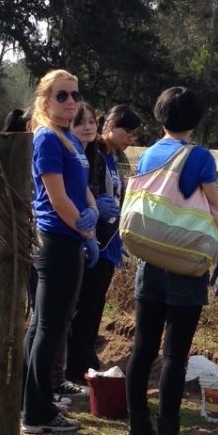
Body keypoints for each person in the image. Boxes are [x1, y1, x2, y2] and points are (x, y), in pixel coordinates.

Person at [124, 86, 218, 435]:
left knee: (142, 348)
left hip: (149, 262)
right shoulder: (198, 157)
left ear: (160, 115)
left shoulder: (149, 153)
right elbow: (214, 213)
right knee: (175, 355)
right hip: (185, 265)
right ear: (196, 119)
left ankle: (137, 428)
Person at [21, 69, 98, 435]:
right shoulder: (47, 139)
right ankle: (36, 412)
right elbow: (56, 196)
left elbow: (78, 188)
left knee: (43, 325)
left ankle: (29, 400)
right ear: (45, 101)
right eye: (62, 96)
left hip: (71, 238)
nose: (71, 102)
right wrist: (85, 229)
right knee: (48, 327)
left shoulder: (69, 138)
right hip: (56, 240)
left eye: (75, 95)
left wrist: (92, 213)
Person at [66, 102, 143, 383]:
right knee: (83, 306)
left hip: (109, 242)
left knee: (95, 304)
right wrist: (97, 206)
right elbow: (83, 189)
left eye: (134, 135)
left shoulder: (112, 158)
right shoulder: (93, 153)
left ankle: (83, 362)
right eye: (128, 132)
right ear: (110, 126)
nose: (130, 140)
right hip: (92, 239)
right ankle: (76, 366)